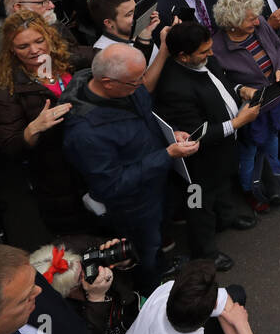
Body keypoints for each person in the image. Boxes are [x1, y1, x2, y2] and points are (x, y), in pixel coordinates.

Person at [60, 43, 199, 293]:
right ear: (108, 82)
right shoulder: (85, 134)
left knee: (157, 238)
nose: (141, 85)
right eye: (135, 82)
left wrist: (170, 134)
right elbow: (110, 186)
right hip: (133, 205)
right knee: (145, 250)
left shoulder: (123, 87)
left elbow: (146, 116)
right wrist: (166, 154)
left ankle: (160, 266)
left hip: (156, 185)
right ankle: (152, 292)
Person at [153, 22, 261, 272]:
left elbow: (221, 84)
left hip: (222, 154)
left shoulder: (204, 60)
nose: (211, 55)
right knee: (199, 208)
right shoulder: (174, 87)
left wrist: (240, 89)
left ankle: (227, 217)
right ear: (183, 56)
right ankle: (205, 252)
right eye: (204, 52)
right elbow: (198, 133)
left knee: (224, 186)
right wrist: (237, 123)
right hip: (198, 166)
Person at [0, 11, 97, 235]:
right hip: (58, 175)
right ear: (11, 49)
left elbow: (109, 61)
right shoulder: (2, 89)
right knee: (80, 234)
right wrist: (33, 129)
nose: (34, 51)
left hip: (95, 155)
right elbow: (10, 146)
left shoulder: (67, 58)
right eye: (23, 46)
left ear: (49, 37)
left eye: (39, 41)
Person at [209, 0, 280, 211]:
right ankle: (250, 190)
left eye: (256, 16)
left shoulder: (261, 23)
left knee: (272, 138)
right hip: (250, 110)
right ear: (233, 23)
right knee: (249, 151)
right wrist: (241, 89)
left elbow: (278, 46)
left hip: (275, 97)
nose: (258, 21)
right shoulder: (215, 48)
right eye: (251, 19)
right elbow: (219, 85)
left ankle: (272, 178)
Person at [109, 259, 266, 334]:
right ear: (205, 317)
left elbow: (226, 302)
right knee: (236, 305)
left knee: (235, 294)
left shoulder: (167, 292)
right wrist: (242, 325)